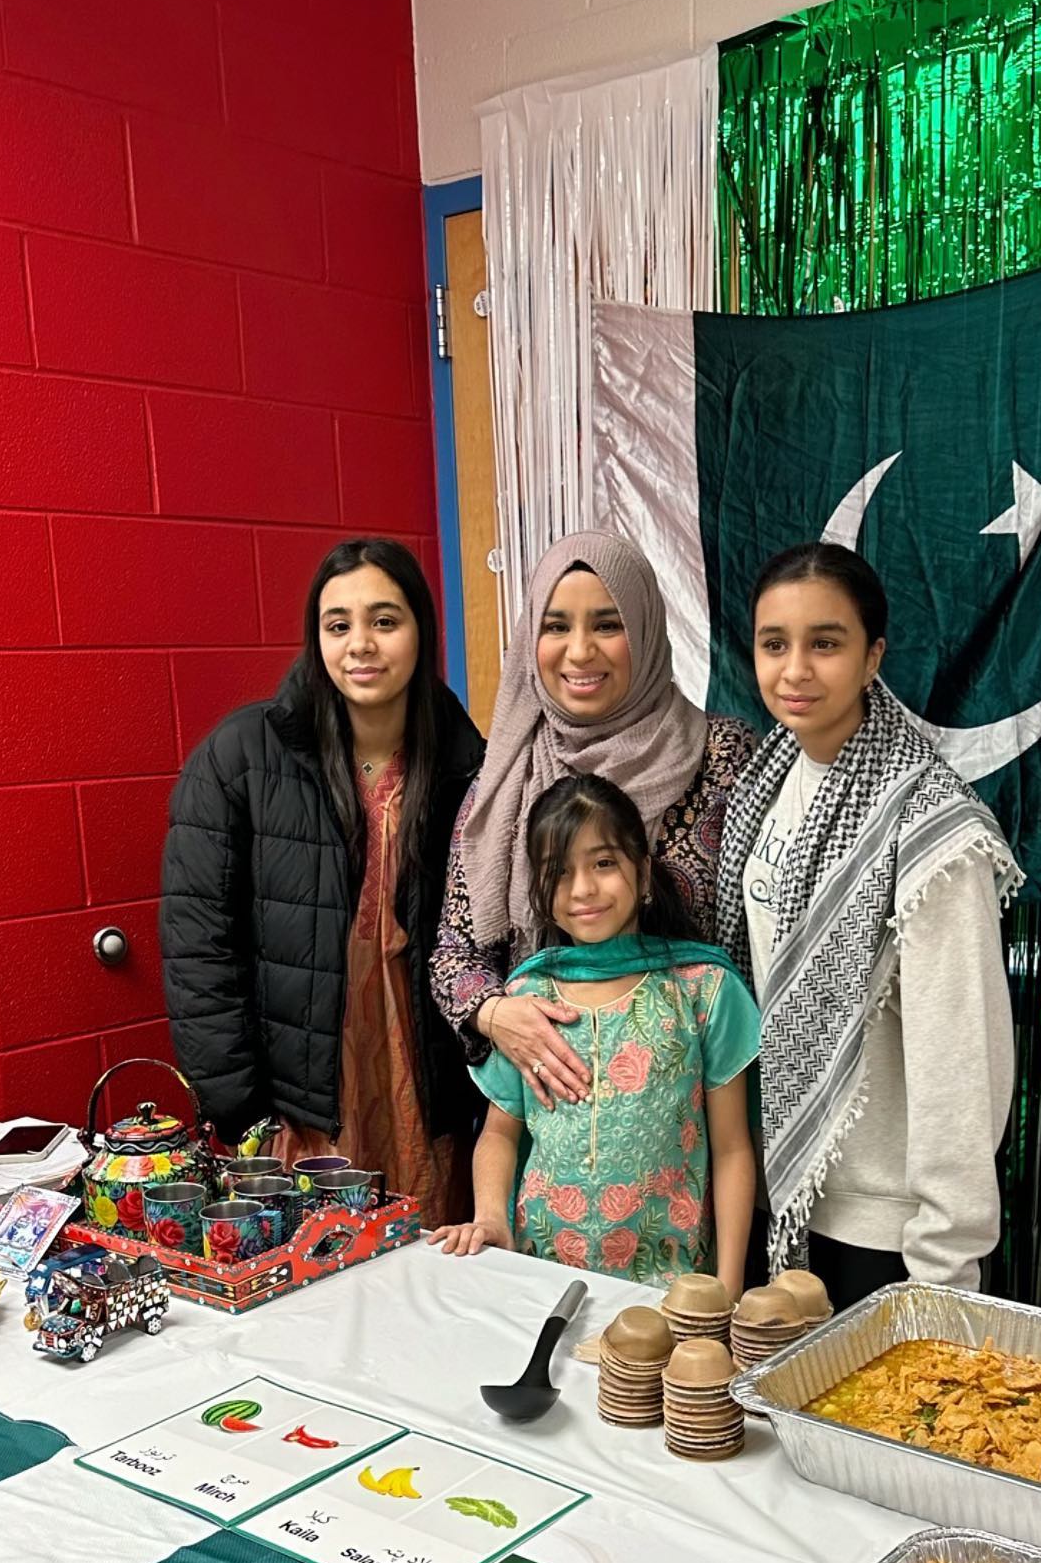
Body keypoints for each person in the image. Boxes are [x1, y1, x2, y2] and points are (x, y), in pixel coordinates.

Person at [716, 542, 1021, 1308]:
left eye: (826, 643)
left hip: (881, 1234)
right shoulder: (767, 780)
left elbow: (962, 1065)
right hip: (772, 1198)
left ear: (873, 654)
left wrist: (942, 1272)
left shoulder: (934, 831)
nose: (795, 671)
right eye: (774, 644)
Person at [160, 538, 484, 1226]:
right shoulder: (241, 757)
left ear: (422, 630)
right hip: (300, 1104)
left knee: (430, 1280)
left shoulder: (466, 760)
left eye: (385, 621)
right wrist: (242, 1110)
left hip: (425, 1085)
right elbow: (199, 949)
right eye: (338, 626)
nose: (360, 644)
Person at [430, 530, 756, 1113]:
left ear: (646, 630)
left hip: (699, 1118)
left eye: (607, 625)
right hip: (546, 1113)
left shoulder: (722, 758)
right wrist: (499, 1014)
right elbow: (454, 949)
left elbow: (759, 940)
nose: (579, 652)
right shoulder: (505, 779)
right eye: (556, 627)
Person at [429, 774, 759, 1291]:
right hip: (539, 1279)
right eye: (559, 871)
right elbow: (499, 1131)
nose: (582, 889)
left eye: (604, 863)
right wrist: (492, 1217)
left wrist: (729, 1284)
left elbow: (733, 1148)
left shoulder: (703, 991)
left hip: (669, 1289)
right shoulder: (527, 999)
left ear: (643, 873)